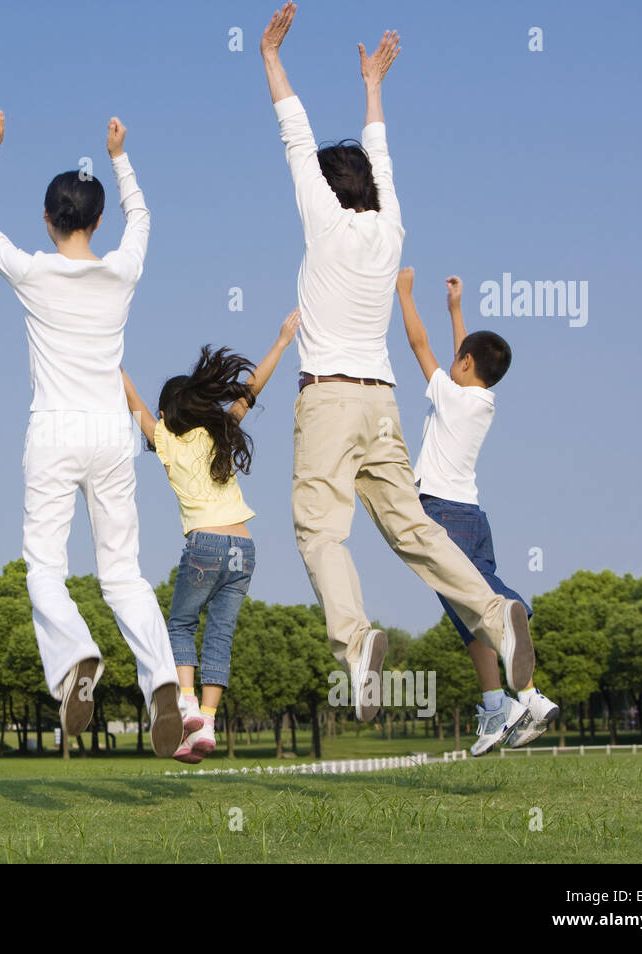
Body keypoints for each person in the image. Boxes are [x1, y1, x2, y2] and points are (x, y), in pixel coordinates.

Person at [260, 3, 534, 721]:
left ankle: (356, 643)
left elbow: (295, 133)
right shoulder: (391, 229)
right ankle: (496, 612)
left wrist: (271, 57)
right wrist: (373, 84)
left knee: (320, 531)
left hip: (328, 399)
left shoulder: (321, 221)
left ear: (328, 189)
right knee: (414, 530)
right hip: (383, 403)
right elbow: (379, 153)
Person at [0, 108, 183, 757]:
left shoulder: (34, 272)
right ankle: (163, 682)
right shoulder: (120, 271)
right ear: (96, 220)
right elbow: (142, 220)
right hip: (113, 434)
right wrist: (120, 156)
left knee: (45, 571)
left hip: (55, 431)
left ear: (47, 219)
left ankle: (77, 660)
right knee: (123, 575)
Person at [122, 309, 301, 762]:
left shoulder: (167, 440)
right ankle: (208, 725)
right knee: (219, 633)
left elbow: (132, 402)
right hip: (244, 547)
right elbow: (250, 390)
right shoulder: (219, 431)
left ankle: (186, 707)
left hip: (205, 545)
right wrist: (281, 342)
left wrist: (109, 358)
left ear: (167, 414)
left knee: (181, 624)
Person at [396, 268, 561, 754]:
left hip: (443, 514)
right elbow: (457, 353)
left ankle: (514, 615)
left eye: (458, 359)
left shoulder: (452, 396)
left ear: (465, 365)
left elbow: (418, 346)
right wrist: (455, 309)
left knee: (482, 603)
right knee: (471, 617)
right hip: (472, 516)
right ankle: (503, 703)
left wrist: (404, 296)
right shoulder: (480, 399)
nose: (451, 363)